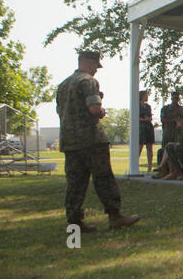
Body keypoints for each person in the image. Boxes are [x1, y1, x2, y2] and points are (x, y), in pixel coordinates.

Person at [56, 49, 138, 232]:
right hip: (91, 140)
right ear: (90, 63)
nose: (96, 70)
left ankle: (74, 222)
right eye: (96, 66)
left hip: (69, 141)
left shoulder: (63, 85)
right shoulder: (88, 81)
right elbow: (94, 109)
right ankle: (115, 216)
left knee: (75, 183)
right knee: (103, 178)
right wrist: (101, 111)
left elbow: (60, 112)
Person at [153, 91, 183, 177]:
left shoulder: (181, 109)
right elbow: (162, 119)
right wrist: (174, 120)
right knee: (163, 150)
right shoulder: (165, 108)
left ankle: (173, 171)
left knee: (172, 150)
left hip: (177, 132)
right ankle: (164, 170)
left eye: (177, 98)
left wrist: (180, 123)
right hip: (168, 131)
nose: (175, 99)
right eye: (174, 97)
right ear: (171, 98)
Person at [137, 89, 154, 172]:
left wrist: (149, 118)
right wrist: (143, 119)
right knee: (139, 146)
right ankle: (135, 165)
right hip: (141, 127)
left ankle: (150, 167)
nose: (147, 96)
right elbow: (135, 116)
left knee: (149, 147)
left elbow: (151, 116)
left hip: (149, 127)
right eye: (146, 95)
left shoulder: (148, 106)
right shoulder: (136, 105)